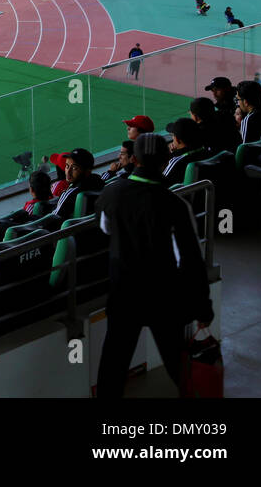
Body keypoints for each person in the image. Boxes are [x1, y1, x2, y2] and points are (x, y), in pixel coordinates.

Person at [94, 132, 213, 399]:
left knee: (113, 365)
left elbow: (104, 231)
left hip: (123, 294)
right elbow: (190, 261)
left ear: (134, 160)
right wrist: (203, 307)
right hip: (164, 299)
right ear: (165, 161)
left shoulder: (110, 194)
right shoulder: (175, 205)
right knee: (179, 365)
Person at [52, 149, 103, 221]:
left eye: (74, 168)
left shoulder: (71, 192)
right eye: (67, 166)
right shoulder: (99, 182)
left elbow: (53, 217)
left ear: (87, 171)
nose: (68, 172)